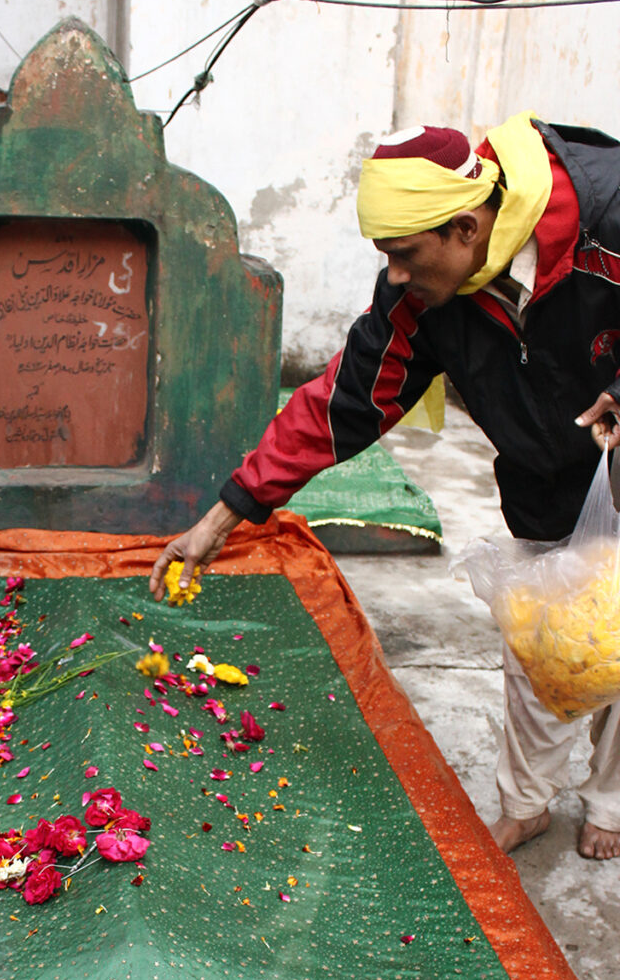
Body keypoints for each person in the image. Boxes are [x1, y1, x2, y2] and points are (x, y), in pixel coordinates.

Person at [149, 112, 620, 861]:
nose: (395, 276)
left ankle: (610, 801)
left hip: (617, 459)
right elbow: (340, 404)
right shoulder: (422, 300)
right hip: (542, 471)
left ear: (467, 229)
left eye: (404, 256)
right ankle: (527, 804)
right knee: (542, 644)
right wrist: (223, 517)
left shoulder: (606, 220)